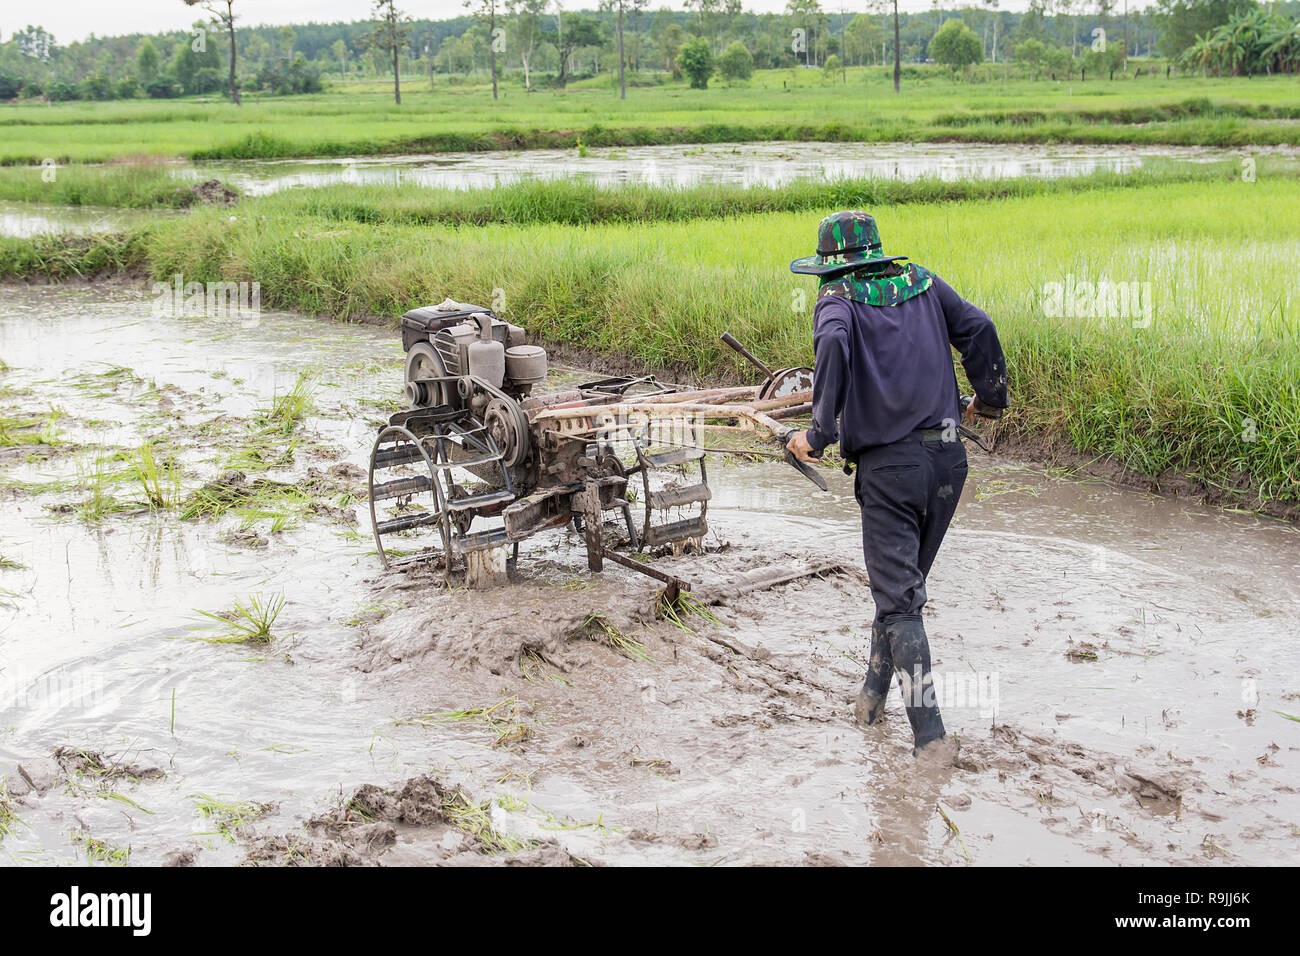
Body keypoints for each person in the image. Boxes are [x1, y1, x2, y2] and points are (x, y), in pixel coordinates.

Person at [785, 211, 1008, 761]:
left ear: (830, 268)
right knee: (900, 591)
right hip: (948, 464)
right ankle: (870, 698)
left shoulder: (837, 300)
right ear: (878, 255)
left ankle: (929, 738)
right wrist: (990, 400)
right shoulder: (923, 284)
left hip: (890, 473)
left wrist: (817, 432)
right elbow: (980, 327)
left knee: (901, 600)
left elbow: (834, 345)